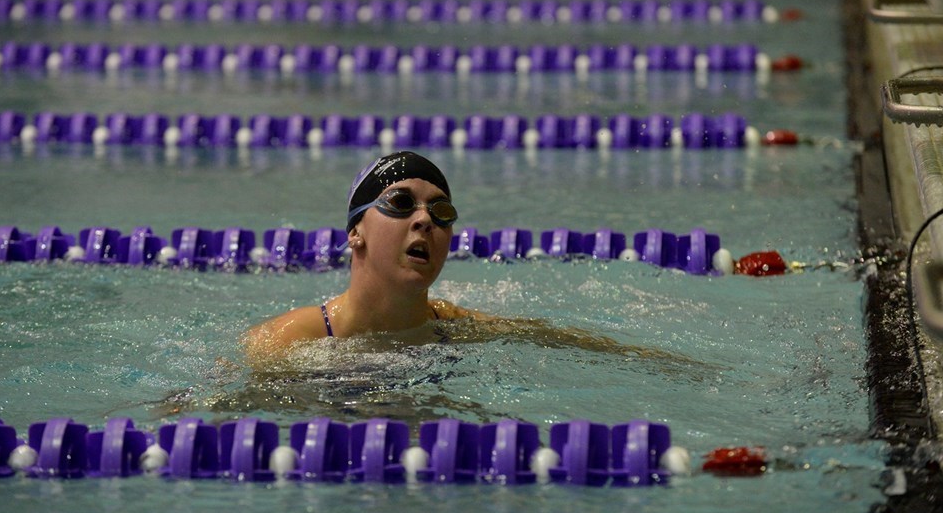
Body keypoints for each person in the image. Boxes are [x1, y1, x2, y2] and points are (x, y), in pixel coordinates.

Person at [242, 151, 696, 368]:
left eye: (441, 212)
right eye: (401, 203)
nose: (425, 221)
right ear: (355, 231)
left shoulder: (455, 326)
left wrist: (666, 362)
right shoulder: (286, 341)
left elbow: (560, 340)